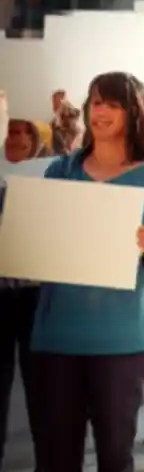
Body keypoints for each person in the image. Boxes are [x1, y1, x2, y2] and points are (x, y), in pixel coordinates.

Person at [30, 73, 144, 472]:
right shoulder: (61, 171)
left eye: (112, 103)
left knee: (115, 456)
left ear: (134, 113)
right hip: (57, 335)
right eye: (96, 102)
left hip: (121, 338)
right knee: (55, 458)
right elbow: (38, 243)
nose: (100, 111)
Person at [0, 91, 52, 471]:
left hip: (37, 297)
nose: (16, 139)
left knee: (41, 388)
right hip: (0, 297)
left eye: (24, 133)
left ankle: (48, 460)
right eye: (10, 130)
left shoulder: (50, 176)